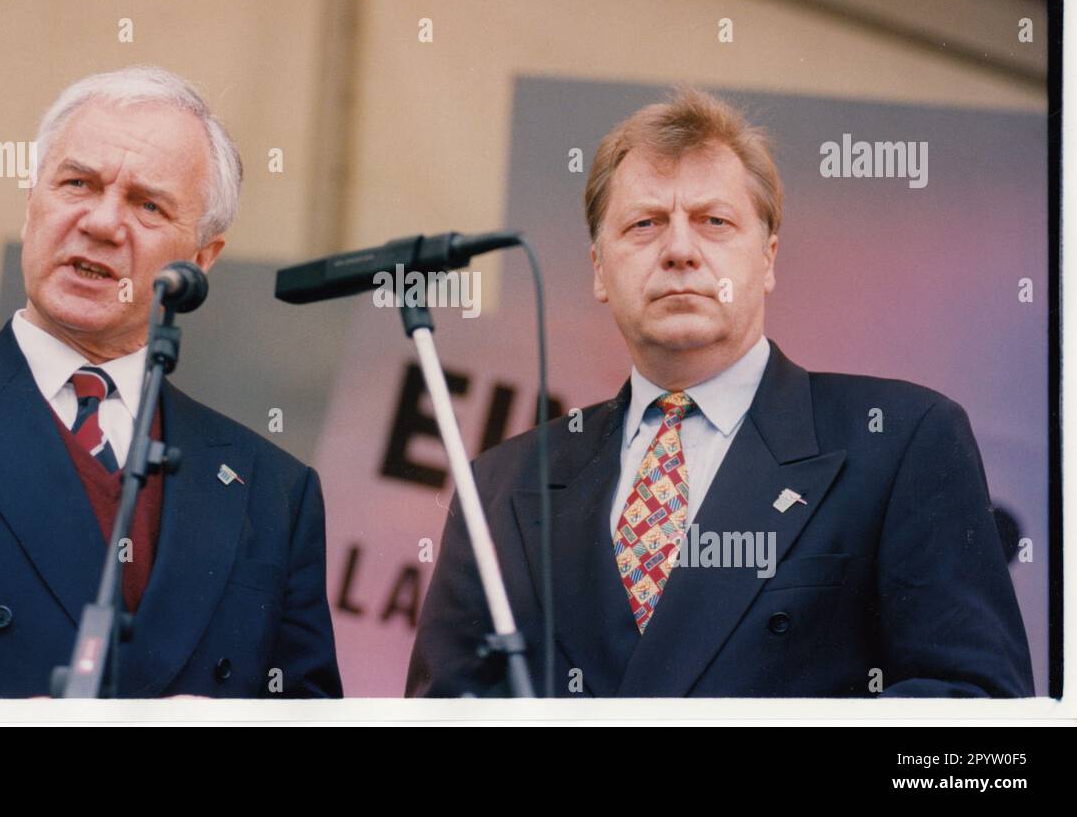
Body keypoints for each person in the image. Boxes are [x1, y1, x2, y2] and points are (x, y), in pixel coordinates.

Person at [406, 87, 1033, 698]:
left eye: (714, 222)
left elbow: (973, 716)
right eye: (645, 224)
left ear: (768, 257)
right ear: (599, 269)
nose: (680, 249)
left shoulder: (902, 440)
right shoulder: (498, 486)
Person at [0, 65, 342, 698]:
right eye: (77, 183)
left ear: (202, 259)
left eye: (148, 204)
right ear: (31, 200)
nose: (102, 223)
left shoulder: (273, 491)